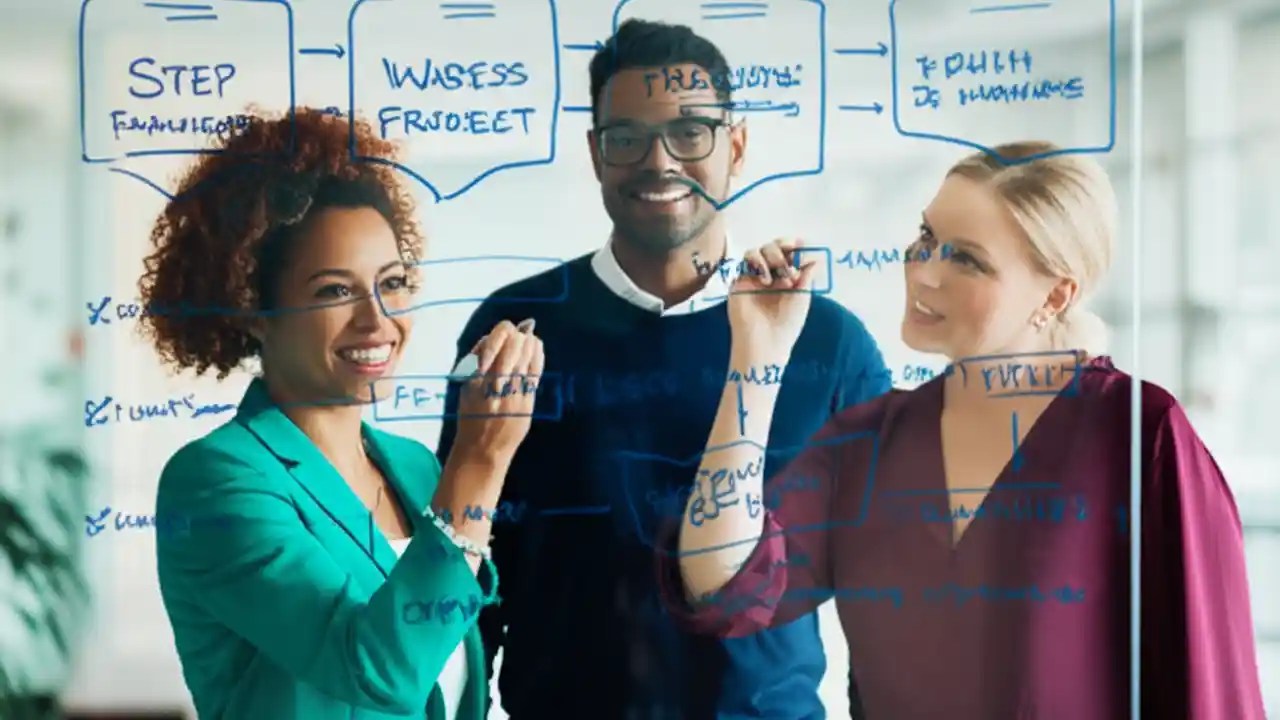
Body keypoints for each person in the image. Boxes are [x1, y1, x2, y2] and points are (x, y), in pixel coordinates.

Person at [666, 140, 1269, 719]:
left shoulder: (1139, 437)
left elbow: (1209, 692)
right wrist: (758, 357)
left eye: (967, 260)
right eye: (928, 238)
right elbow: (722, 586)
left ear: (1055, 295)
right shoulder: (871, 444)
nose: (924, 274)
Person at [435, 18, 890, 719]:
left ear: (736, 145)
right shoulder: (516, 328)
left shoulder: (827, 343)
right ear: (596, 153)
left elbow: (884, 586)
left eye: (690, 132)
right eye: (627, 138)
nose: (660, 161)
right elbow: (468, 566)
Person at [142, 107, 545, 720]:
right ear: (253, 310)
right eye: (335, 290)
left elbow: (451, 680)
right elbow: (378, 670)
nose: (377, 320)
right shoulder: (215, 482)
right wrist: (480, 460)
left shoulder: (415, 469)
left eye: (393, 282)